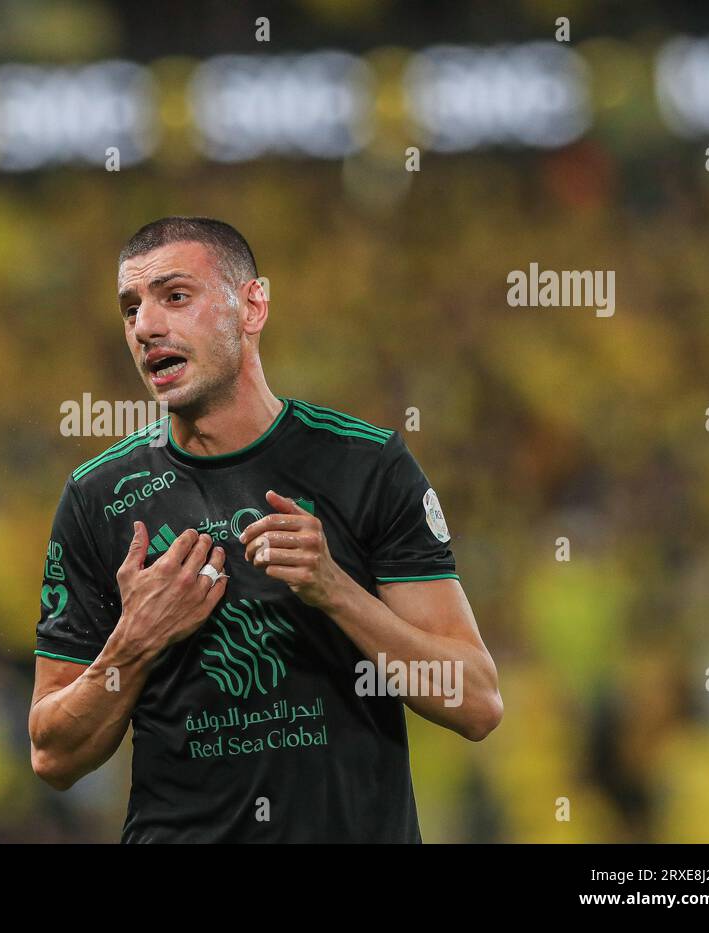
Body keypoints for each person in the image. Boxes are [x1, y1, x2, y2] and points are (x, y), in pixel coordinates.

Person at [28, 217, 502, 842]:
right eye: (130, 308)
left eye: (174, 296)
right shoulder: (98, 498)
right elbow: (53, 755)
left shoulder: (365, 465)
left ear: (251, 306)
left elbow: (475, 702)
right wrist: (134, 641)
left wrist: (336, 590)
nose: (145, 327)